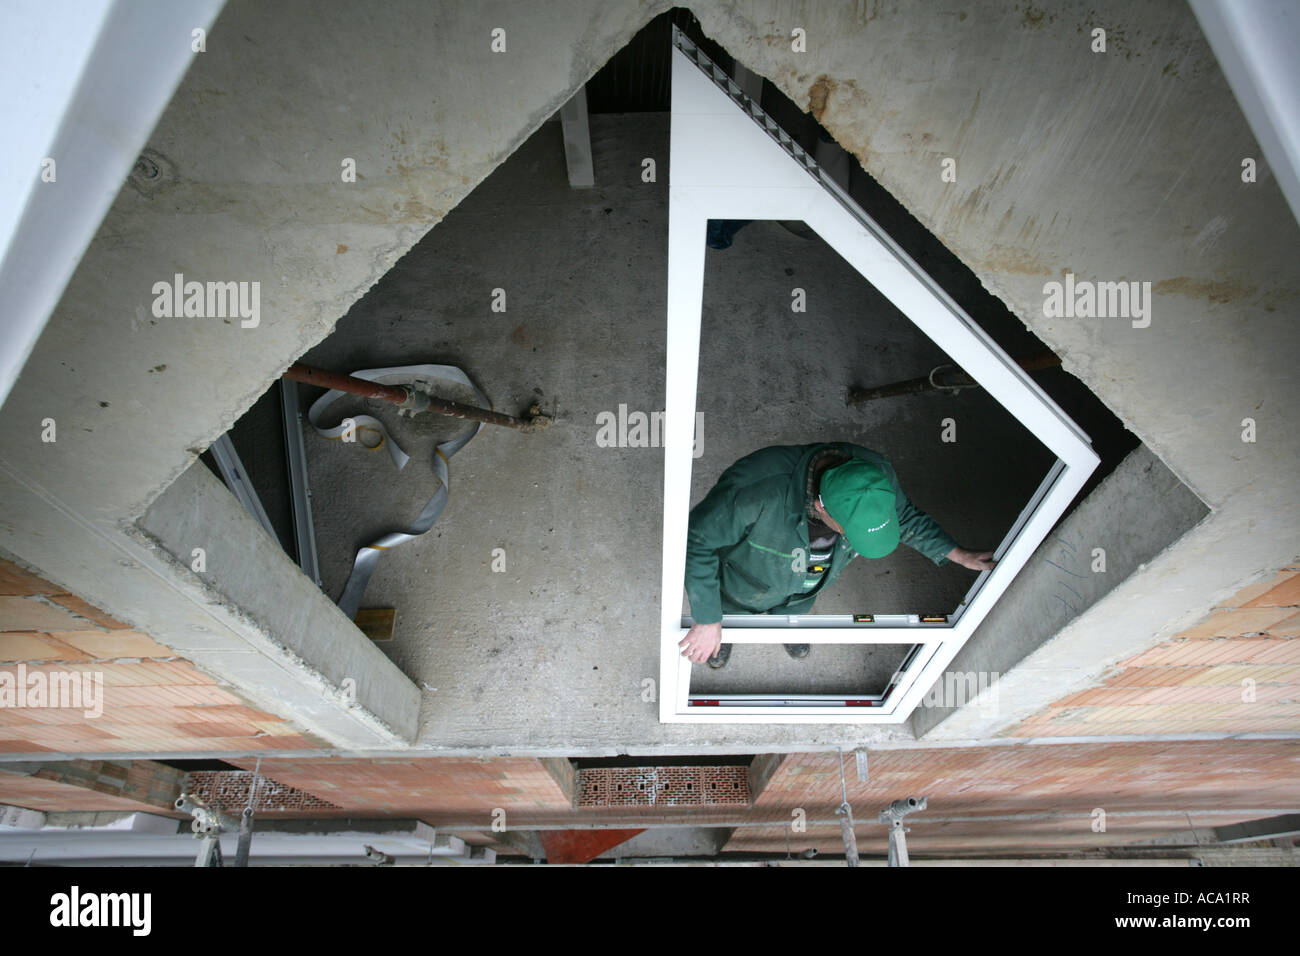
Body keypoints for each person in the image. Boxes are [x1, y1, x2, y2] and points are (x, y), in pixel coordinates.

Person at [679, 442, 995, 668]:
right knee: (730, 616)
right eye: (849, 532)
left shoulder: (874, 477)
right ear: (821, 506)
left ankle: (787, 625)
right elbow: (697, 539)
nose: (849, 540)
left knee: (796, 609)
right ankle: (725, 633)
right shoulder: (755, 490)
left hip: (808, 585)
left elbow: (905, 516)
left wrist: (956, 553)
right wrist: (708, 619)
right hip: (745, 585)